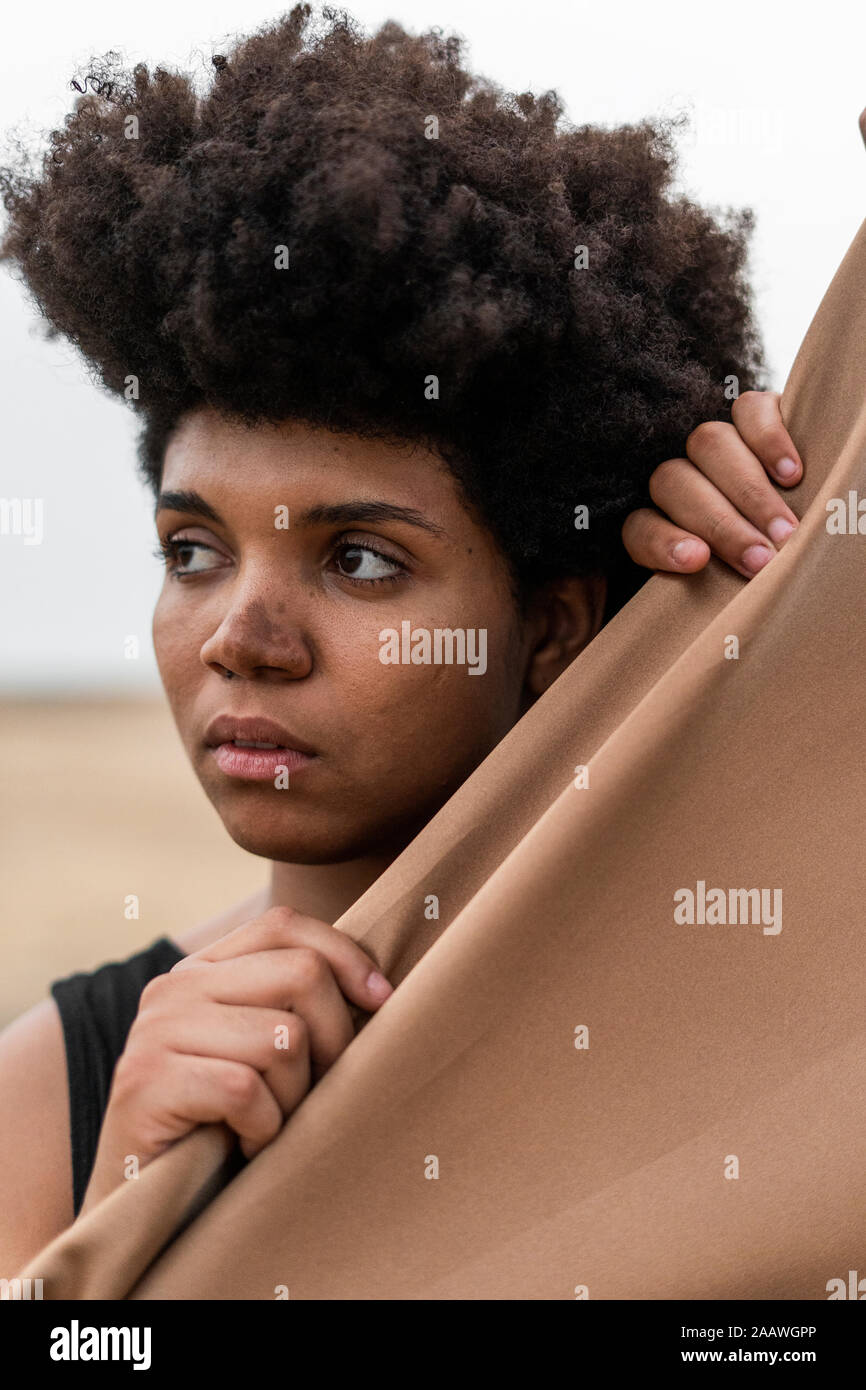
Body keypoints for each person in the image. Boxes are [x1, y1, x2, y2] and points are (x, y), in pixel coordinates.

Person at [0, 5, 805, 1273]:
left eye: (358, 559)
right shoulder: (57, 1085)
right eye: (192, 552)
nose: (243, 641)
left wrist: (786, 553)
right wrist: (123, 1235)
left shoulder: (725, 1006)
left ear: (547, 629)